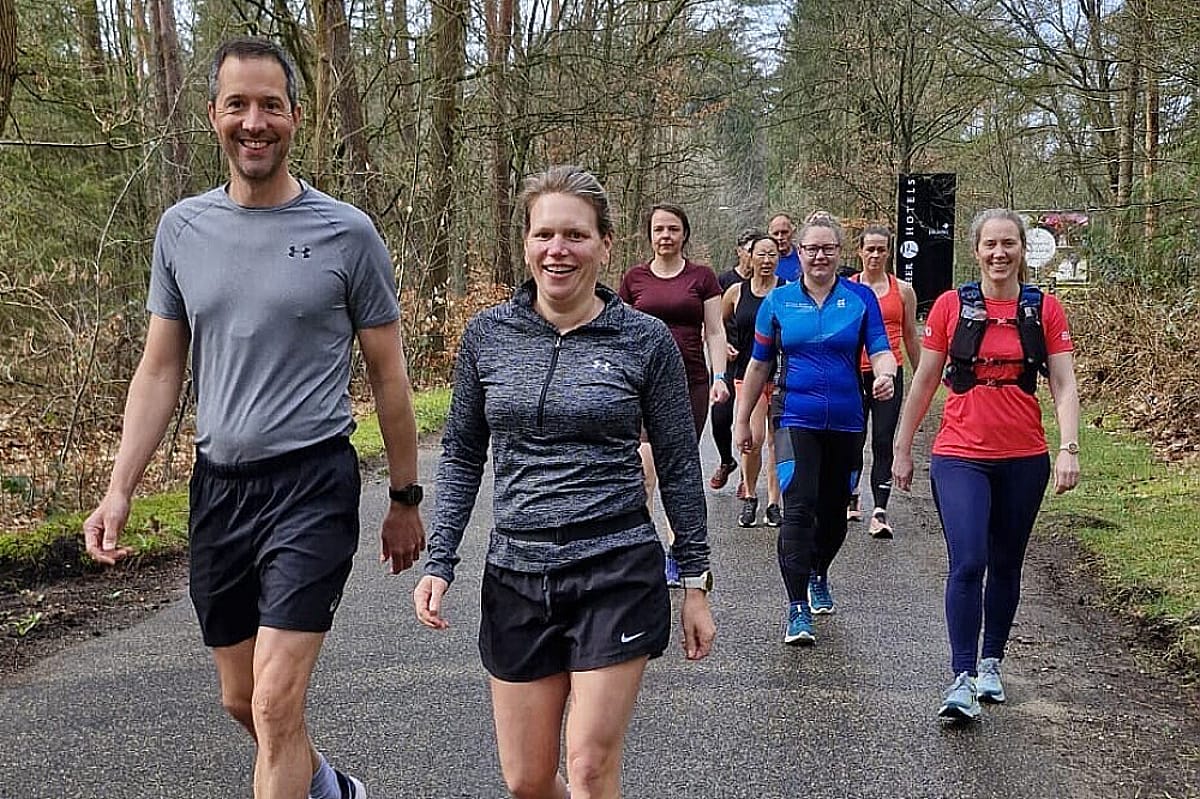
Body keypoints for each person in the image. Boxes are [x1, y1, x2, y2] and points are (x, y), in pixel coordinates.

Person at [82, 37, 426, 799]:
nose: (254, 121)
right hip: (220, 493)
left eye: (270, 104)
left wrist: (406, 498)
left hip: (312, 485)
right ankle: (329, 786)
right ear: (213, 116)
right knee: (244, 702)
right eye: (237, 104)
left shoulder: (348, 232)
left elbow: (389, 374)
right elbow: (160, 367)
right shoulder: (180, 230)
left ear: (296, 118)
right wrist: (119, 488)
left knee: (274, 703)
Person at [414, 165, 716, 799]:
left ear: (605, 245)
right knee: (527, 780)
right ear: (526, 243)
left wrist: (694, 581)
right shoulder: (487, 337)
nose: (559, 250)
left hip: (615, 569)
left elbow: (681, 464)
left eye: (576, 236)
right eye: (545, 234)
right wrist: (439, 559)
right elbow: (464, 453)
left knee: (587, 765)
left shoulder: (645, 340)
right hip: (517, 572)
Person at [893, 208, 1080, 721]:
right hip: (959, 455)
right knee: (968, 560)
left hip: (1024, 456)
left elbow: (1063, 383)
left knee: (1006, 563)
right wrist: (902, 448)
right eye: (990, 245)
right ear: (975, 251)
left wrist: (1069, 447)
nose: (999, 254)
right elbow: (926, 379)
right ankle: (962, 676)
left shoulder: (1045, 310)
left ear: (1023, 249)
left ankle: (992, 661)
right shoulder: (951, 306)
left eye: (1008, 244)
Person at [734, 216, 896, 645]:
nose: (819, 256)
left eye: (828, 249)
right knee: (799, 507)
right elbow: (758, 364)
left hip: (846, 419)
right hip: (794, 417)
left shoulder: (860, 299)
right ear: (799, 253)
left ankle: (819, 571)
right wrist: (742, 417)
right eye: (812, 249)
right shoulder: (779, 302)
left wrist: (886, 375)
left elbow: (882, 351)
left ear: (840, 254)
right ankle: (796, 607)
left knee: (833, 515)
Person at [619, 203, 728, 585]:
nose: (666, 236)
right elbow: (620, 333)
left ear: (684, 234)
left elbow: (715, 331)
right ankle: (641, 549)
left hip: (690, 383)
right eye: (659, 229)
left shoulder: (702, 278)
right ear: (649, 235)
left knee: (675, 469)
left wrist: (721, 377)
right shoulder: (634, 279)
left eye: (673, 229)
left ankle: (676, 551)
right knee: (643, 468)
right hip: (640, 386)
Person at [847, 225, 921, 537]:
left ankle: (879, 509)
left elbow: (910, 336)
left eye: (881, 249)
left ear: (889, 252)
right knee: (852, 439)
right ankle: (850, 497)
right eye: (870, 249)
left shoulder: (902, 290)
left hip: (889, 374)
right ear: (860, 251)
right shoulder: (847, 288)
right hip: (852, 372)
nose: (875, 255)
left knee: (882, 439)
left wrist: (922, 377)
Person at [722, 232, 783, 528]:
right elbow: (718, 327)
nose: (767, 260)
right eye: (761, 254)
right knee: (753, 438)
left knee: (777, 441)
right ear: (749, 256)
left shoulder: (788, 291)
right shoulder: (735, 292)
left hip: (783, 376)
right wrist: (726, 346)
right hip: (748, 374)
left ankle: (773, 502)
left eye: (772, 254)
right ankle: (749, 495)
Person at [709, 228, 760, 491]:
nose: (754, 256)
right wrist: (722, 344)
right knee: (720, 417)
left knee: (750, 419)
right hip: (727, 357)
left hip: (757, 358)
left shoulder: (769, 282)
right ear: (739, 251)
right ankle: (727, 460)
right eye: (749, 250)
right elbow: (713, 320)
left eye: (758, 250)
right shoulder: (724, 280)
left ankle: (746, 479)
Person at [768, 213, 800, 282]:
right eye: (776, 234)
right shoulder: (765, 261)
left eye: (784, 232)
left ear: (793, 232)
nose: (780, 237)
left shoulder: (802, 257)